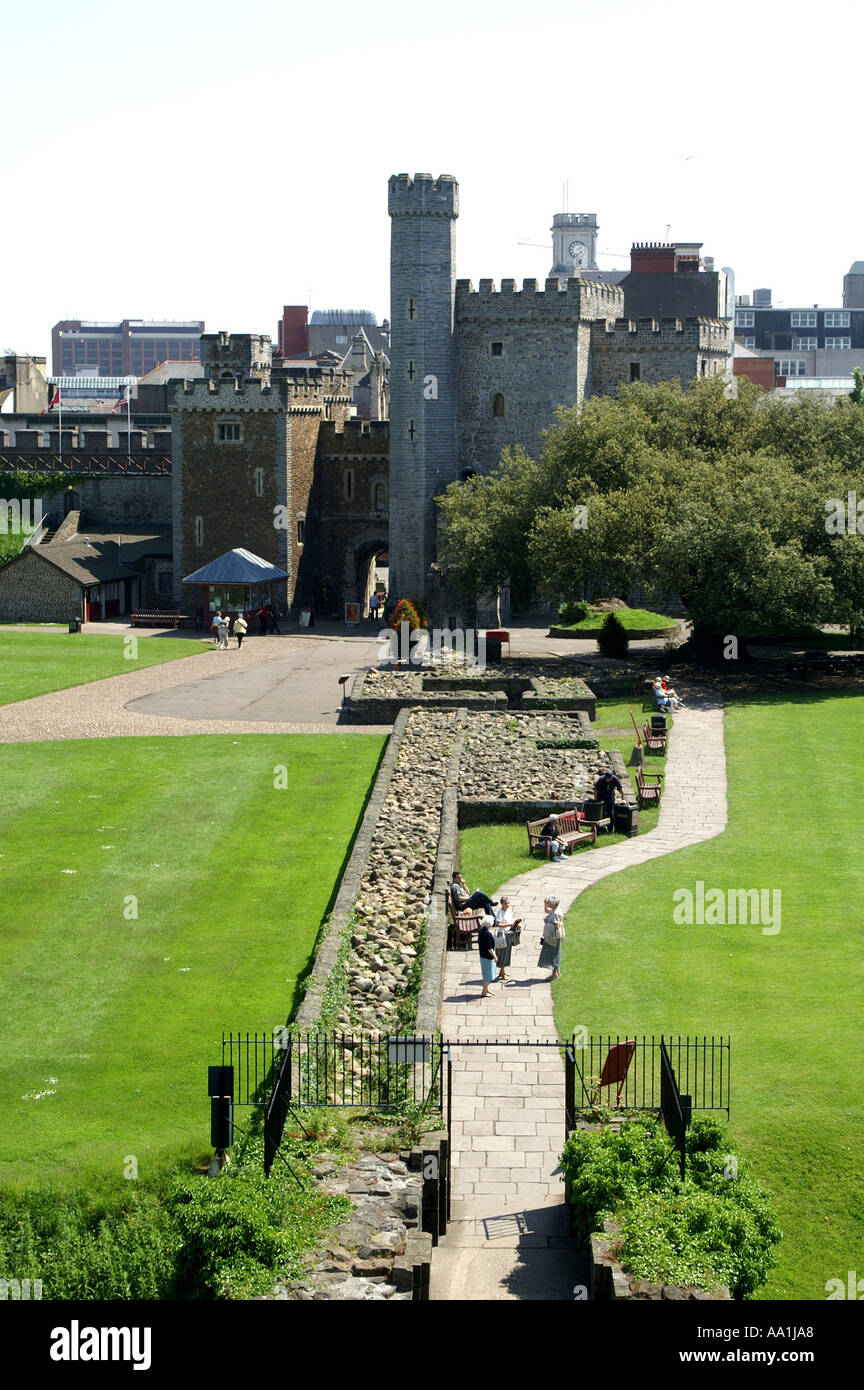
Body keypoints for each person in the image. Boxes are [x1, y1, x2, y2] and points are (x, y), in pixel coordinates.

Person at [494, 896, 523, 981]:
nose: (507, 905)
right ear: (502, 904)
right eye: (505, 904)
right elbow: (498, 924)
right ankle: (502, 973)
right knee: (502, 953)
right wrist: (509, 925)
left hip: (509, 933)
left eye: (508, 903)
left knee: (507, 953)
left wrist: (515, 923)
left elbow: (510, 920)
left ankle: (502, 971)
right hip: (503, 934)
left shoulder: (509, 911)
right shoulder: (500, 912)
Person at [537, 896, 565, 981]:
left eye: (548, 903)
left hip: (554, 936)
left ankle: (554, 974)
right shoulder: (555, 909)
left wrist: (547, 922)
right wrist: (545, 904)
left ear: (552, 904)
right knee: (556, 953)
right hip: (555, 936)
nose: (548, 904)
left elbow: (556, 926)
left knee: (554, 955)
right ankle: (557, 971)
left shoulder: (556, 913)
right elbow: (546, 911)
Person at [477, 915, 499, 998]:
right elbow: (489, 948)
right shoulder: (486, 934)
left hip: (483, 955)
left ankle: (486, 989)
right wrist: (495, 957)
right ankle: (484, 992)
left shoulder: (482, 930)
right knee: (487, 975)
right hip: (487, 956)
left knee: (488, 973)